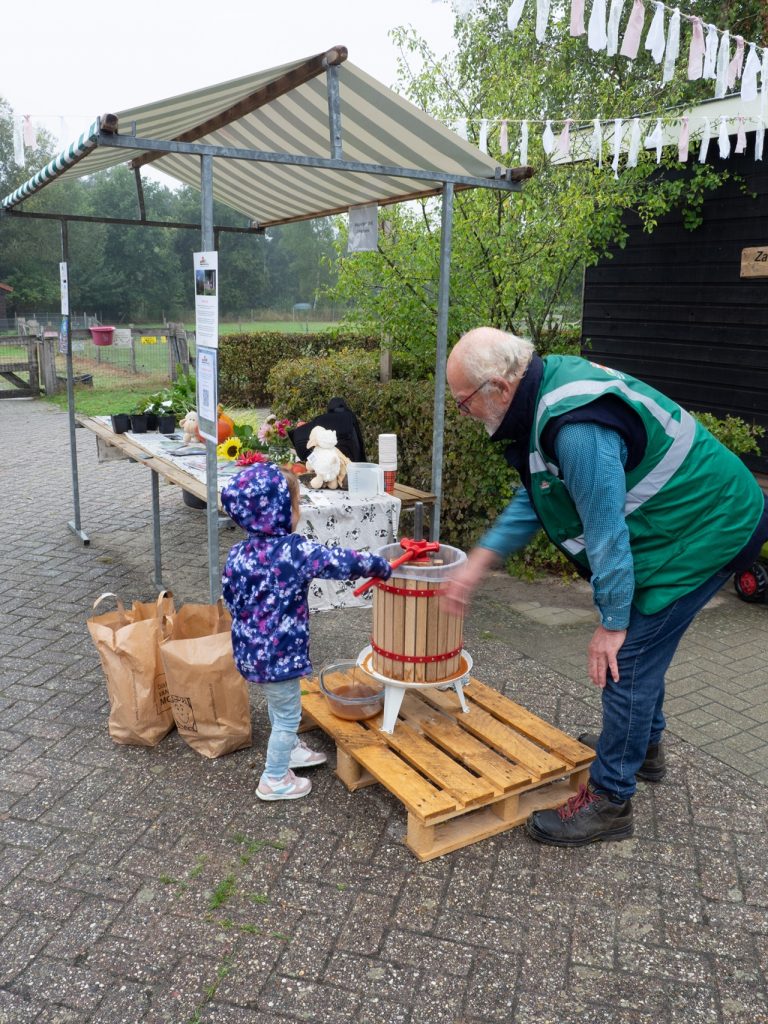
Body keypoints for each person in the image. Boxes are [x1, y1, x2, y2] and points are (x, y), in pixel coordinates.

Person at [443, 326, 768, 847]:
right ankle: (643, 750)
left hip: (711, 529)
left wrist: (612, 622)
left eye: (462, 403)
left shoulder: (575, 428)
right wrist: (479, 561)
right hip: (684, 526)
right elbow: (539, 493)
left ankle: (611, 799)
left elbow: (606, 530)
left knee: (630, 658)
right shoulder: (544, 394)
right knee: (643, 651)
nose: (463, 414)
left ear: (499, 388)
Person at [221, 462, 391, 802]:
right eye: (295, 505)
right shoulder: (294, 551)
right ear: (277, 512)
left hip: (251, 651)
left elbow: (229, 598)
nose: (298, 512)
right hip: (281, 652)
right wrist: (378, 565)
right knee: (287, 715)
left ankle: (291, 750)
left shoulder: (238, 553)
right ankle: (274, 779)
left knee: (279, 702)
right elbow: (339, 561)